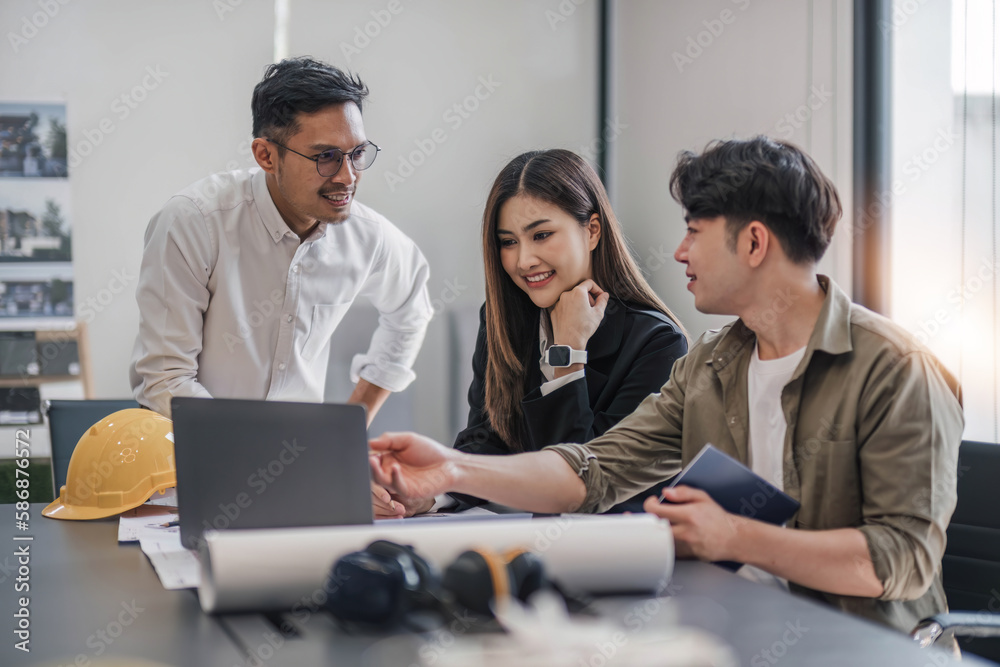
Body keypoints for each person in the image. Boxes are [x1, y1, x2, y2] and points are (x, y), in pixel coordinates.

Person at [369, 136, 964, 640]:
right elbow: (592, 471)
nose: (679, 252)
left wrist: (735, 536)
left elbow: (899, 561)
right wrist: (451, 471)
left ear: (754, 243)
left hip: (853, 640)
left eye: (695, 231)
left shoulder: (896, 369)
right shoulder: (710, 364)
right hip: (728, 625)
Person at [128, 58, 433, 514]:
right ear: (266, 156)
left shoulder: (367, 235)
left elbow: (412, 307)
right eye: (326, 156)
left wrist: (348, 429)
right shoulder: (194, 223)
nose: (347, 176)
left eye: (357, 153)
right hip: (193, 478)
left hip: (304, 474)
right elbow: (166, 379)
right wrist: (291, 468)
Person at [379, 149, 688, 518]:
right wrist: (431, 494)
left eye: (541, 235)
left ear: (592, 231)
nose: (523, 260)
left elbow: (586, 484)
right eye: (508, 242)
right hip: (527, 541)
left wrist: (567, 353)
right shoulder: (502, 319)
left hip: (608, 553)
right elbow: (488, 440)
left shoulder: (657, 342)